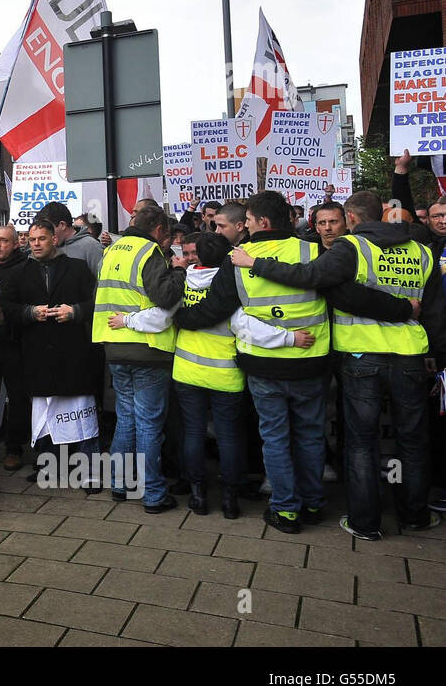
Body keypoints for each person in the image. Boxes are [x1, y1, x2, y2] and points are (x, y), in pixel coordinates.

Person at [179, 191, 415, 534]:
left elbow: (215, 309)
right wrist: (402, 310)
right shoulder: (314, 250)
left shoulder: (240, 258)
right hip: (311, 363)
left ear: (263, 222)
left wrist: (178, 318)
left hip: (263, 365)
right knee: (309, 435)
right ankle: (313, 503)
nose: (244, 224)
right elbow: (345, 295)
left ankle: (286, 510)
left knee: (274, 437)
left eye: (247, 219)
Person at [228, 190, 446, 537]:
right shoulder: (421, 251)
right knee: (412, 441)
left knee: (361, 442)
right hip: (411, 355)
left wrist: (256, 263)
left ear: (352, 218)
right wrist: (435, 354)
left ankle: (365, 521)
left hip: (360, 355)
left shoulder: (351, 248)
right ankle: (414, 515)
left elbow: (315, 280)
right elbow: (434, 311)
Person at [110, 232, 313, 518]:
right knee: (229, 437)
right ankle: (230, 500)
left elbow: (161, 316)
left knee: (192, 434)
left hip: (187, 370)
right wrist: (290, 339)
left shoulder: (183, 281)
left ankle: (198, 495)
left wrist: (126, 320)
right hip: (225, 374)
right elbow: (248, 327)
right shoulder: (232, 285)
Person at [91, 205, 188, 512]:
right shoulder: (150, 252)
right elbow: (166, 297)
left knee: (127, 418)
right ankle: (154, 494)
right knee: (148, 424)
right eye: (167, 235)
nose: (168, 241)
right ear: (159, 229)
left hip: (114, 345)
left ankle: (120, 484)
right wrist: (179, 271)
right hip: (147, 348)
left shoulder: (112, 250)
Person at [10, 219, 98, 487]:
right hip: (38, 353)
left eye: (41, 239)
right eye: (32, 239)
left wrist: (76, 312)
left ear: (54, 240)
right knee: (44, 414)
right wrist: (28, 312)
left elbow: (96, 301)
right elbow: (8, 307)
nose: (35, 244)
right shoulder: (20, 272)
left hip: (73, 351)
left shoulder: (78, 268)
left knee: (81, 412)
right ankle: (48, 467)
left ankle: (89, 472)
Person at [0, 225, 30, 470]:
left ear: (15, 244)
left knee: (17, 397)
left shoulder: (24, 269)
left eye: (4, 240)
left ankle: (14, 447)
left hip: (14, 341)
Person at [39, 200, 103, 276]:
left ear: (62, 225)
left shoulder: (91, 247)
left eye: (49, 228)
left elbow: (101, 280)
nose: (46, 233)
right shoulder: (48, 246)